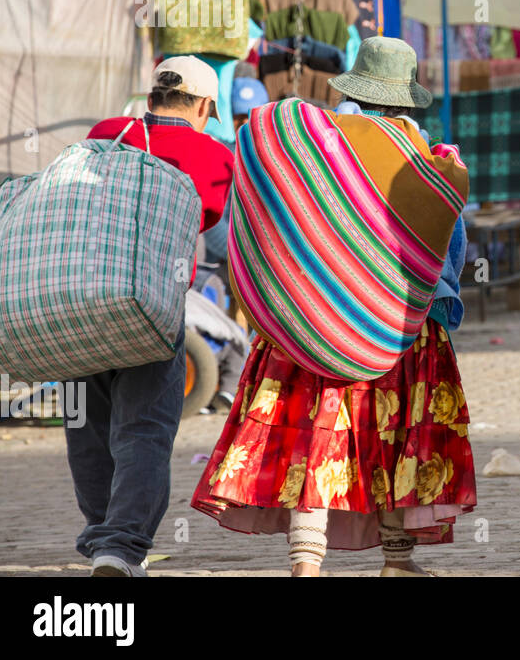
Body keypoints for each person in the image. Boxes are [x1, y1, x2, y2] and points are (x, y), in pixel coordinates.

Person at [192, 37, 475, 577]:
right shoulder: (430, 165)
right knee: (396, 438)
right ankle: (397, 561)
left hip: (311, 321)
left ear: (357, 91)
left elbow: (272, 192)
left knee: (317, 436)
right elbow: (446, 258)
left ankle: (306, 560)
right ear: (408, 99)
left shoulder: (318, 149)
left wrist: (314, 293)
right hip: (400, 330)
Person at [72, 57, 234, 576]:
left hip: (82, 301)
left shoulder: (107, 133)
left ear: (152, 98)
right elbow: (212, 233)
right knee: (142, 430)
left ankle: (104, 539)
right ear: (206, 105)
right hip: (151, 309)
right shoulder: (213, 154)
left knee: (90, 430)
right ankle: (119, 547)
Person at [198, 77, 269, 414]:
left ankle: (245, 385)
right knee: (228, 324)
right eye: (239, 117)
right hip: (226, 259)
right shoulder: (222, 156)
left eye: (250, 116)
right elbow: (213, 213)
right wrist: (235, 251)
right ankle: (228, 385)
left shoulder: (273, 157)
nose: (244, 124)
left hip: (260, 259)